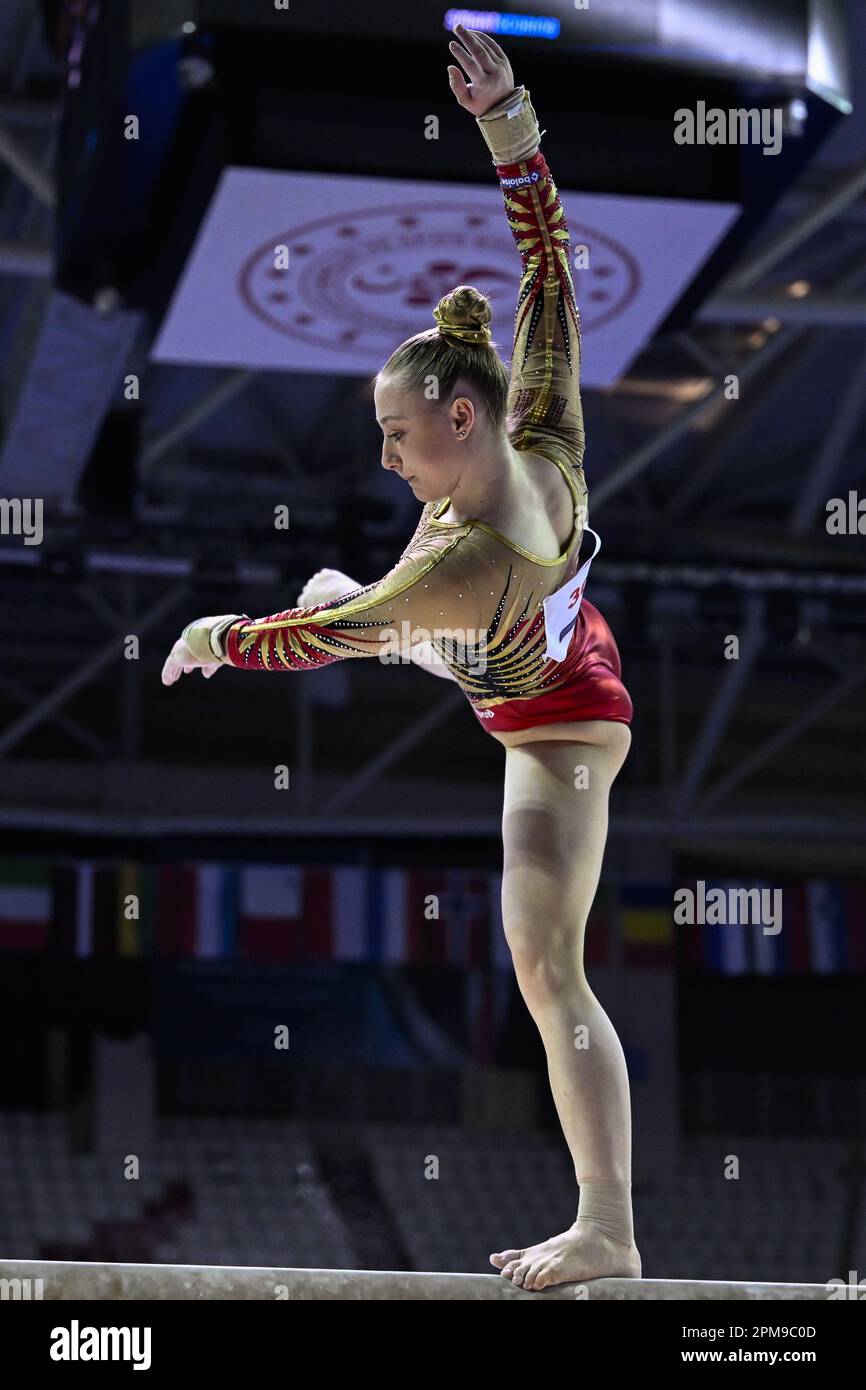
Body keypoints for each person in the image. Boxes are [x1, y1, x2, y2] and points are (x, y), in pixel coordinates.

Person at [162, 24, 640, 1291]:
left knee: (544, 960)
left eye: (394, 434)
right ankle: (604, 1219)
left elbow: (322, 640)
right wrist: (508, 121)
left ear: (456, 415)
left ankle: (608, 1224)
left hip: (555, 711)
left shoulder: (455, 560)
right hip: (492, 638)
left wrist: (216, 635)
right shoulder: (537, 410)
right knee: (369, 602)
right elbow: (547, 259)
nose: (384, 457)